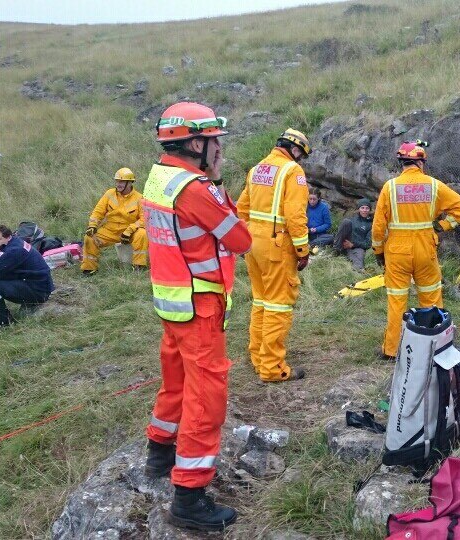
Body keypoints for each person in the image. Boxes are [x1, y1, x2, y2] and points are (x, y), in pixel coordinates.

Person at [142, 102, 252, 531]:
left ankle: (159, 451)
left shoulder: (160, 177)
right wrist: (219, 189)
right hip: (200, 305)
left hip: (172, 302)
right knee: (206, 398)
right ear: (193, 142)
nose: (220, 147)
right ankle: (189, 494)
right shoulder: (194, 190)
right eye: (214, 140)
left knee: (176, 380)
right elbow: (240, 239)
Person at [372, 140, 460, 359]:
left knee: (397, 301)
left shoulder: (390, 187)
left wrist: (378, 251)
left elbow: (378, 226)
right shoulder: (434, 185)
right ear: (421, 162)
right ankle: (435, 347)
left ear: (402, 163)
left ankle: (392, 350)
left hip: (396, 252)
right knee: (432, 299)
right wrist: (442, 226)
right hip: (426, 249)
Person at [236, 128, 311, 383]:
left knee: (261, 301)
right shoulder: (292, 171)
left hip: (252, 243)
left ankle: (258, 356)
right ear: (296, 149)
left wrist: (247, 236)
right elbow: (296, 216)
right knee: (279, 304)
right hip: (276, 245)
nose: (299, 159)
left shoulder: (257, 169)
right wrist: (302, 250)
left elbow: (241, 209)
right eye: (300, 154)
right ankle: (271, 367)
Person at [0, 225, 54, 330]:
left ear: (8, 237)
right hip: (30, 282)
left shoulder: (14, 250)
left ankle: (2, 323)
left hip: (38, 290)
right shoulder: (14, 242)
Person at [81, 167, 149, 274]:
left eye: (121, 181)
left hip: (128, 231)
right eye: (117, 181)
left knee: (142, 233)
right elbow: (98, 212)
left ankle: (139, 266)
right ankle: (89, 269)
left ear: (130, 183)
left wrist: (129, 231)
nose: (118, 184)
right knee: (89, 237)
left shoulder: (139, 198)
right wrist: (92, 225)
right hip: (110, 230)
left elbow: (144, 219)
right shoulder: (109, 194)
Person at [333, 198, 373, 271]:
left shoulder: (371, 224)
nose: (364, 210)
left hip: (356, 247)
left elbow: (367, 244)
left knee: (359, 259)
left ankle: (357, 269)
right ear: (359, 209)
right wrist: (342, 241)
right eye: (362, 208)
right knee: (346, 222)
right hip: (343, 242)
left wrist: (352, 244)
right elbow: (341, 232)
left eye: (367, 208)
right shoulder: (352, 219)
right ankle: (336, 250)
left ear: (370, 210)